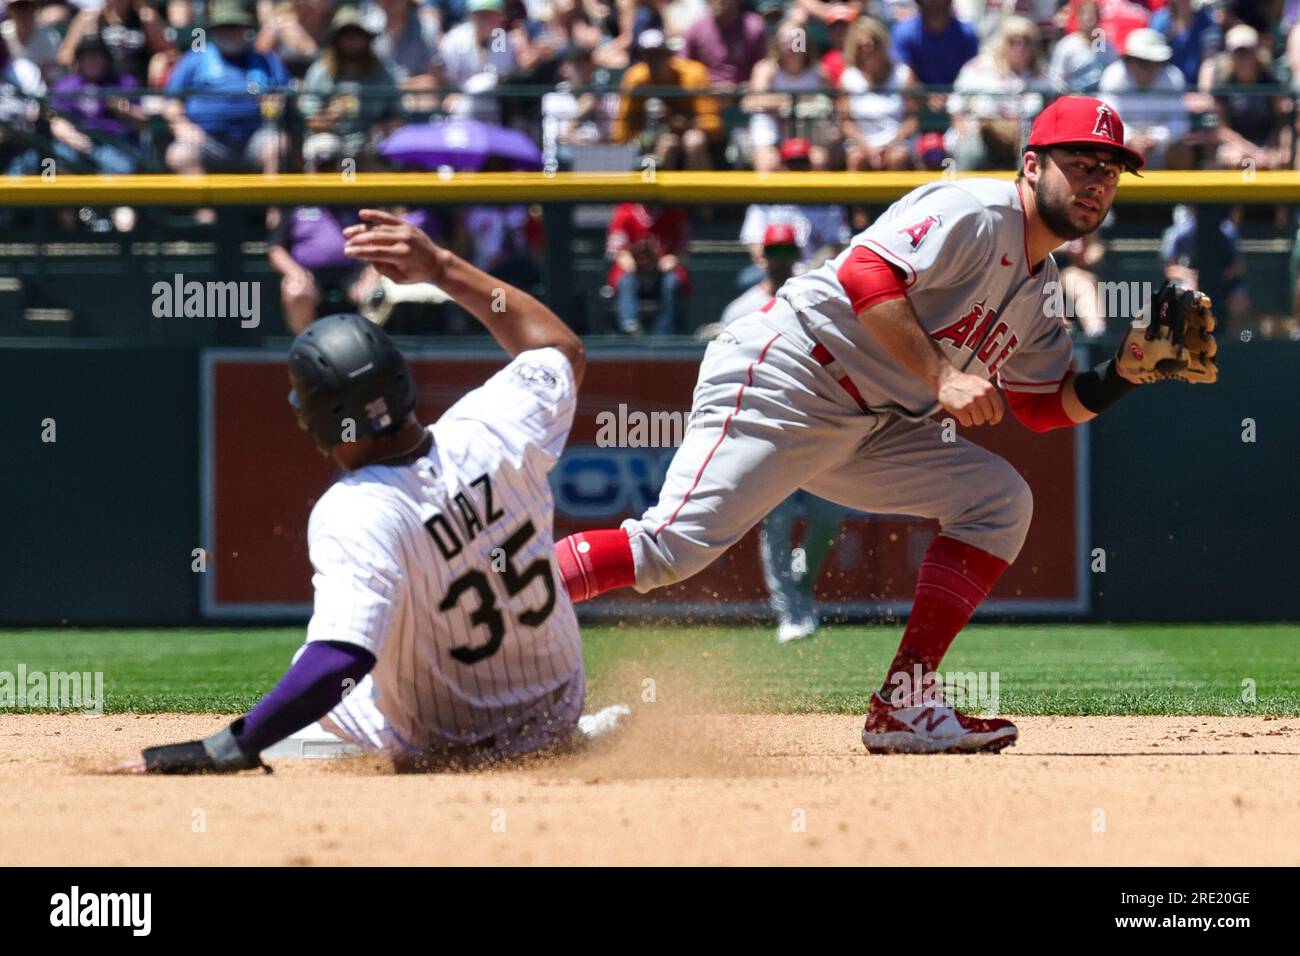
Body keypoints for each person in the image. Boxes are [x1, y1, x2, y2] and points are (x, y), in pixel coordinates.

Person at [552, 96, 1219, 755]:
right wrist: (943, 377)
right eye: (1080, 162)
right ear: (1032, 164)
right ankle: (493, 598)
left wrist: (1126, 374)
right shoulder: (974, 212)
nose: (1097, 181)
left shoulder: (1042, 292)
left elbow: (1043, 407)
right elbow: (863, 273)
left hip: (871, 423)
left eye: (1110, 169)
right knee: (668, 551)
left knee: (999, 502)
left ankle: (902, 704)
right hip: (790, 373)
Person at [118, 209, 629, 775]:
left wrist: (230, 746)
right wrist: (441, 266)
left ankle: (281, 745)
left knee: (326, 661)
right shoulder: (492, 426)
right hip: (557, 715)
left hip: (450, 747)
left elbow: (343, 658)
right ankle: (572, 735)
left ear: (317, 422)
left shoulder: (356, 510)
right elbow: (561, 348)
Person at [163, 1, 290, 175]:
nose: (229, 32)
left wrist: (276, 104)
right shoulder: (194, 59)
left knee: (277, 145)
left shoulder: (265, 60)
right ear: (213, 29)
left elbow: (284, 92)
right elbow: (171, 101)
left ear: (245, 29)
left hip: (254, 137)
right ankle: (204, 203)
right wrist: (182, 126)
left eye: (235, 26)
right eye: (224, 26)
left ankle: (272, 203)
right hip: (205, 140)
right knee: (180, 154)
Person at [946, 15, 1051, 170]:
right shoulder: (979, 68)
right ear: (1002, 42)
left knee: (1031, 150)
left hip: (1023, 135)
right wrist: (964, 131)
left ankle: (1023, 193)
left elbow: (1053, 107)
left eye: (1026, 41)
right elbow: (956, 106)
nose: (1020, 47)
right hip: (980, 132)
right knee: (970, 151)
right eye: (1013, 41)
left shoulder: (1041, 76)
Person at [300, 6, 402, 162]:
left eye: (357, 36)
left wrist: (384, 126)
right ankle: (326, 187)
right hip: (332, 136)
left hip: (370, 138)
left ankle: (379, 186)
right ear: (336, 40)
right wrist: (331, 115)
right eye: (346, 36)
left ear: (366, 39)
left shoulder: (381, 72)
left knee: (392, 147)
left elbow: (397, 115)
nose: (352, 42)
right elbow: (310, 122)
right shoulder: (320, 71)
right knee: (322, 148)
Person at [613, 28, 722, 170]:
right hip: (653, 137)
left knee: (694, 140)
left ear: (669, 54)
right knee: (668, 142)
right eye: (648, 55)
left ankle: (701, 192)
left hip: (696, 135)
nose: (654, 61)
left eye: (659, 54)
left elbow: (713, 124)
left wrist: (680, 122)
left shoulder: (693, 74)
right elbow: (624, 126)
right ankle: (652, 190)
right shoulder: (635, 78)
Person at [1097, 27, 1195, 170]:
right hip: (1123, 148)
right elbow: (1106, 120)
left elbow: (1180, 122)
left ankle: (1182, 192)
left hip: (1162, 148)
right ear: (1129, 60)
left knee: (1182, 150)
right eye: (1143, 63)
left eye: (1156, 63)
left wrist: (1157, 138)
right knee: (1104, 151)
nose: (1151, 68)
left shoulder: (1173, 77)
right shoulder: (1113, 76)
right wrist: (1131, 138)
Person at [1201, 24, 1291, 172]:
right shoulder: (1223, 84)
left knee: (1279, 160)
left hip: (1268, 142)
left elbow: (1281, 122)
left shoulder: (1271, 81)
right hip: (1236, 145)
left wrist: (1278, 148)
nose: (1243, 58)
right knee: (1235, 158)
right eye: (1238, 53)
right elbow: (1223, 130)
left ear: (1256, 53)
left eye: (1247, 52)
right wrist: (1253, 152)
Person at [742, 19, 828, 173]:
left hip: (807, 134)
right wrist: (793, 103)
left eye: (796, 39)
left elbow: (833, 101)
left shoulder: (819, 73)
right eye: (786, 39)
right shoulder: (766, 68)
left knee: (818, 159)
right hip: (770, 134)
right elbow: (752, 101)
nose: (791, 44)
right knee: (768, 162)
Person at [838, 15, 917, 172]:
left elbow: (911, 120)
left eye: (873, 44)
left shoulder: (903, 74)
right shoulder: (848, 78)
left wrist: (891, 144)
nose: (867, 50)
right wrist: (867, 148)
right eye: (861, 46)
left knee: (897, 158)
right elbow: (846, 123)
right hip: (861, 143)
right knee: (857, 158)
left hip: (897, 141)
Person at [605, 200, 691, 334]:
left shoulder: (674, 213)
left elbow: (683, 250)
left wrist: (674, 258)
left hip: (661, 274)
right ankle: (630, 327)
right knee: (626, 281)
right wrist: (626, 258)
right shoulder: (625, 211)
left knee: (672, 282)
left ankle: (664, 334)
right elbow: (615, 249)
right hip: (635, 273)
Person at [889, 0, 980, 88]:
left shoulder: (967, 33)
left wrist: (951, 97)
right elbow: (904, 77)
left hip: (957, 99)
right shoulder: (903, 32)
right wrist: (925, 96)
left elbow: (970, 77)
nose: (934, 2)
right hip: (917, 99)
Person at [682, 0, 767, 89]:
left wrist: (752, 86)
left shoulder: (753, 26)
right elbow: (682, 65)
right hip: (705, 95)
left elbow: (763, 64)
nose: (720, 1)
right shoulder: (696, 29)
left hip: (744, 95)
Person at [1047, 0, 1115, 93]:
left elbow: (1113, 73)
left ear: (1098, 18)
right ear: (1078, 18)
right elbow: (1055, 76)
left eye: (1092, 15)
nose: (1089, 18)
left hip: (1099, 97)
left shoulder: (1106, 46)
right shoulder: (1066, 44)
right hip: (1072, 95)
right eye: (1085, 14)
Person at [1, 0, 62, 82]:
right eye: (18, 7)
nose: (23, 13)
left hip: (38, 90)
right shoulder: (3, 33)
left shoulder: (49, 37)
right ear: (10, 11)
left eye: (28, 7)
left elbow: (51, 76)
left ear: (36, 10)